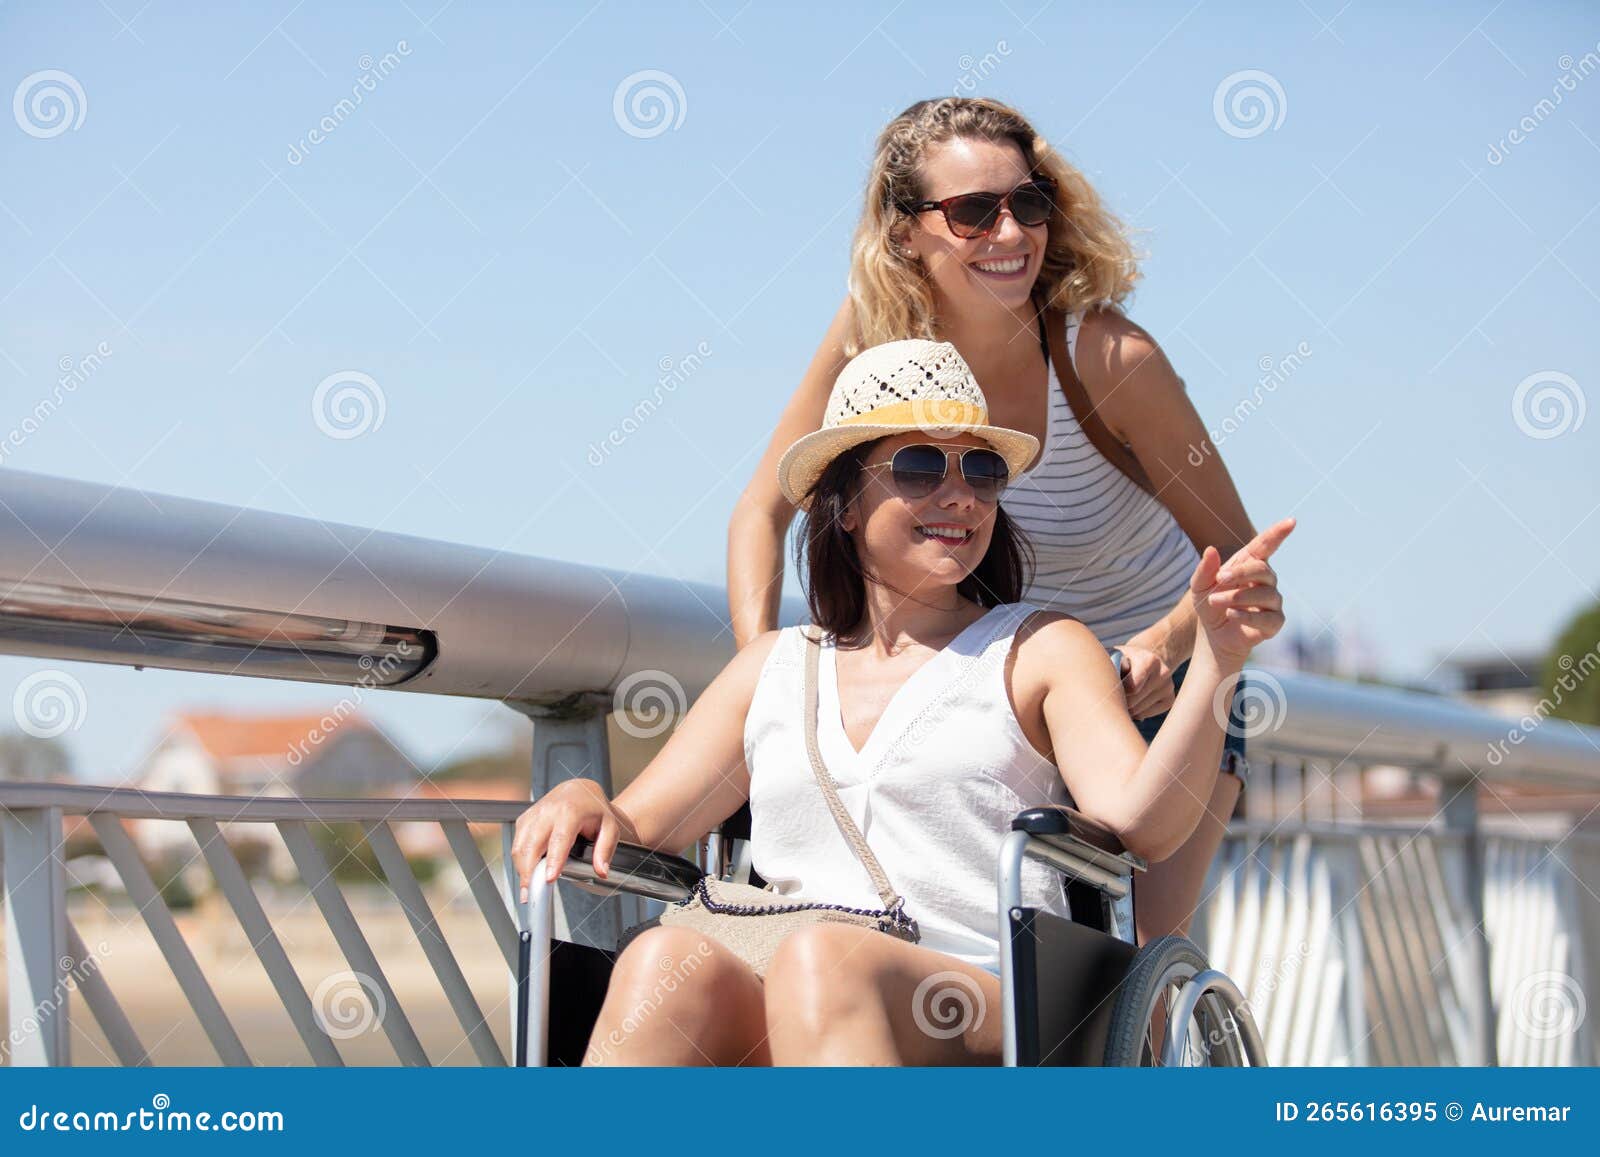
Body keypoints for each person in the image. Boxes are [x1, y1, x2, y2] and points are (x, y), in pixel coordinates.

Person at [512, 339, 1293, 1066]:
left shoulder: (1040, 649)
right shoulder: (775, 667)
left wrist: (1219, 659)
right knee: (664, 960)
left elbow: (1144, 823)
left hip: (989, 1000)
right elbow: (635, 827)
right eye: (921, 465)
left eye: (981, 470)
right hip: (789, 977)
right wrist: (582, 794)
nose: (960, 495)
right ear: (846, 503)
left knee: (824, 964)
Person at [726, 96, 1260, 947]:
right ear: (906, 231)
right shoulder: (875, 336)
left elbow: (1238, 557)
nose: (1011, 234)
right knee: (965, 967)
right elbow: (761, 508)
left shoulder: (1106, 358)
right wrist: (766, 690)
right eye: (974, 212)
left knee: (1138, 988)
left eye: (1029, 204)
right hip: (994, 695)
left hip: (1153, 691)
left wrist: (1164, 646)